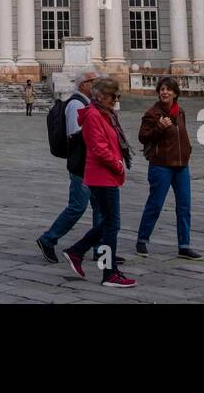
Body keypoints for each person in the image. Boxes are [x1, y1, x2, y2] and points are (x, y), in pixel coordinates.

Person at [61, 76, 136, 288]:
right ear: (100, 96)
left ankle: (79, 253)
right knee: (111, 224)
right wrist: (118, 164)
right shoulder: (94, 115)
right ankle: (108, 272)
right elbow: (99, 148)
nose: (116, 99)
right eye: (114, 96)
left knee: (109, 223)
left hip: (107, 175)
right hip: (101, 175)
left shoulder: (106, 114)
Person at [135, 77, 201, 260]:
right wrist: (159, 127)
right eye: (162, 89)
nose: (165, 92)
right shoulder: (152, 113)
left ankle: (184, 245)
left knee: (184, 206)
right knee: (155, 204)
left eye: (168, 90)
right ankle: (142, 239)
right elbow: (143, 137)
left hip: (181, 166)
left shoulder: (180, 112)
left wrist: (187, 151)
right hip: (161, 166)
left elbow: (182, 135)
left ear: (175, 93)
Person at [36, 70, 97, 263]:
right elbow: (75, 136)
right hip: (82, 165)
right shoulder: (76, 104)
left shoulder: (88, 103)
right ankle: (48, 238)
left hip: (95, 166)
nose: (96, 86)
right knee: (77, 206)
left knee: (102, 209)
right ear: (84, 85)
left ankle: (101, 247)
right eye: (93, 82)